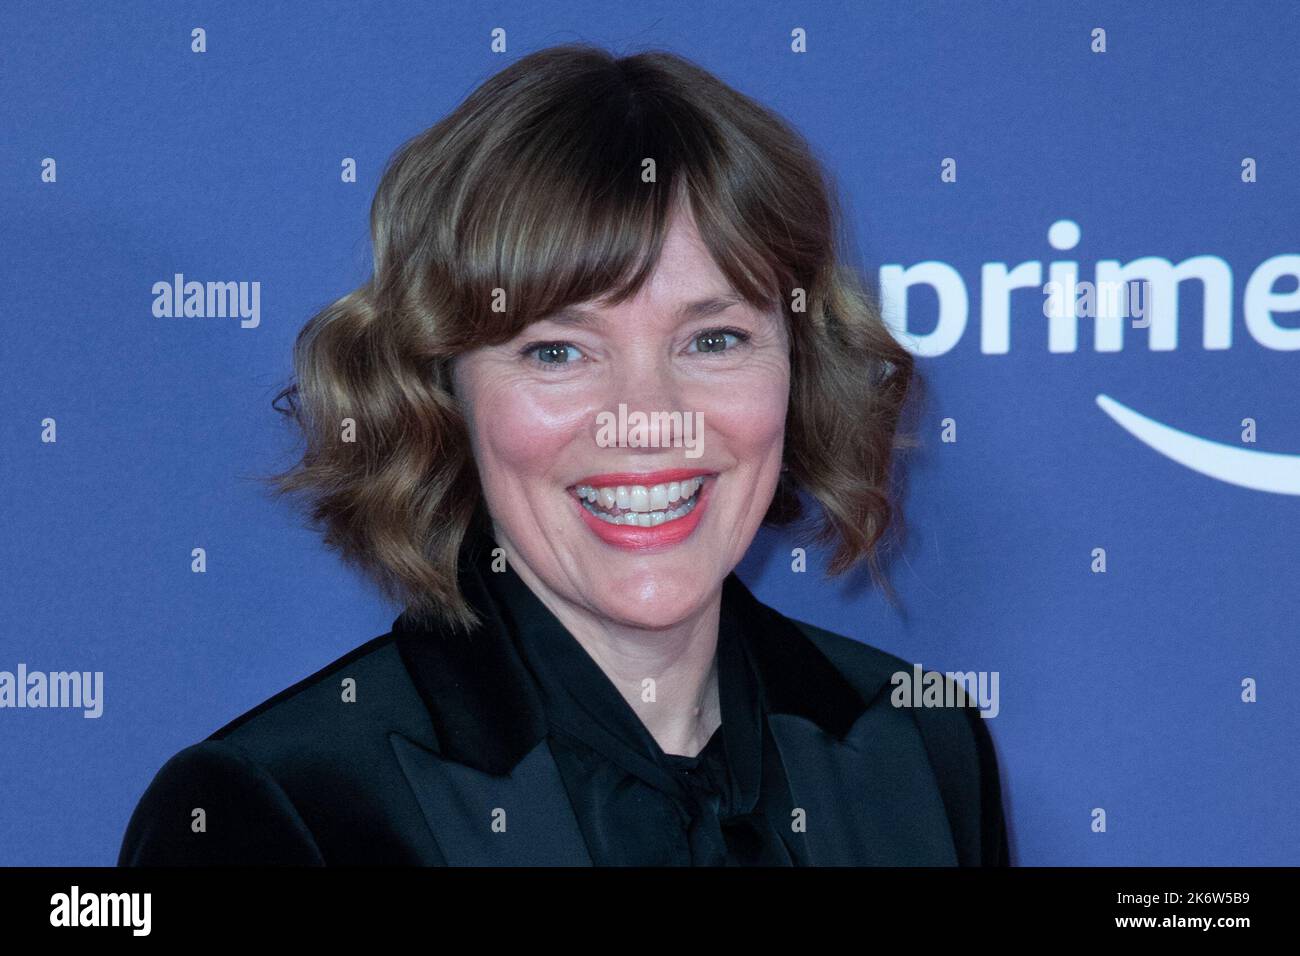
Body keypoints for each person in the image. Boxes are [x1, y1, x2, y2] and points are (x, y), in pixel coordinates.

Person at [118, 43, 1009, 866]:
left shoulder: (916, 743)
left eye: (715, 340)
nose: (648, 419)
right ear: (441, 396)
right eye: (556, 352)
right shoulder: (280, 811)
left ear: (799, 367)